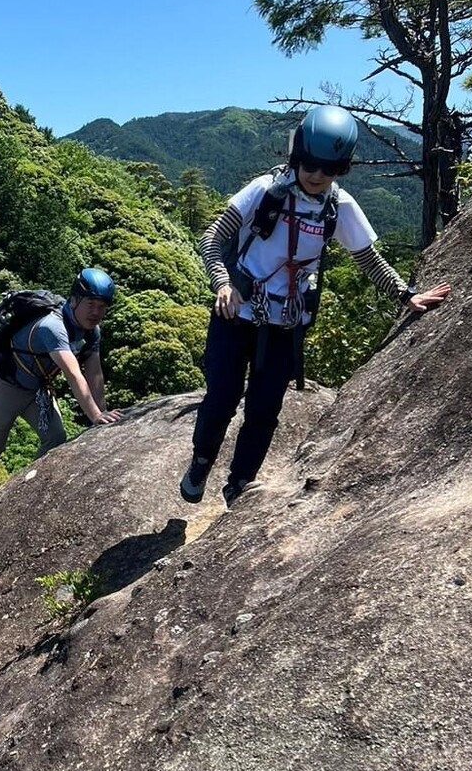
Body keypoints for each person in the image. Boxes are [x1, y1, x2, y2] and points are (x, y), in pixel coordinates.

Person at [179, 104, 451, 508]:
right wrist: (222, 283)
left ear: (341, 169)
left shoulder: (337, 207)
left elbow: (367, 258)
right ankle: (202, 461)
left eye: (329, 169)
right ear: (296, 155)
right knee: (222, 397)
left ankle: (240, 485)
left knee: (265, 409)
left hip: (286, 321)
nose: (317, 175)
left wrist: (405, 294)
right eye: (309, 164)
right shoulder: (264, 190)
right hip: (237, 313)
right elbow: (213, 240)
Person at [0, 267, 123, 502]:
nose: (96, 312)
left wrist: (102, 414)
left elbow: (94, 372)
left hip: (36, 389)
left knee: (56, 438)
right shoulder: (52, 327)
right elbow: (73, 373)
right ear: (75, 299)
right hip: (4, 386)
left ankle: (27, 490)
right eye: (91, 304)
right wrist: (95, 415)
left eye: (102, 306)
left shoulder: (91, 332)